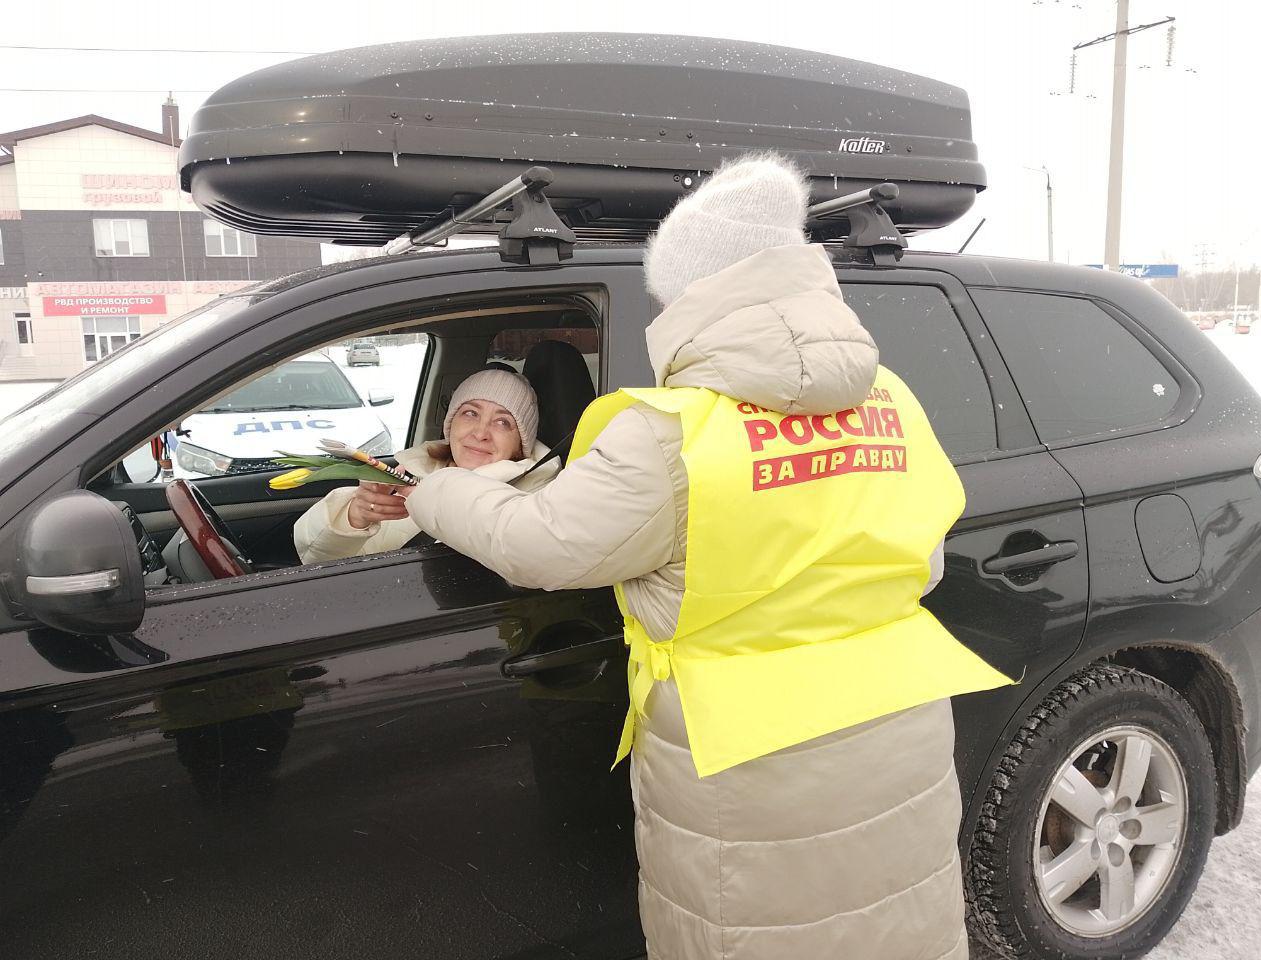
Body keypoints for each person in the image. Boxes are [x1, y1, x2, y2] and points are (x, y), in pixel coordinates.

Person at [404, 154, 1014, 960]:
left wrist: (434, 487)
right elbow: (921, 560)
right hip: (894, 735)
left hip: (748, 767)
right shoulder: (891, 400)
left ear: (695, 297)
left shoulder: (668, 435)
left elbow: (538, 543)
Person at [293, 368, 558, 564]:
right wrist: (355, 518)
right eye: (470, 413)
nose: (480, 433)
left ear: (520, 444)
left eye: (503, 422)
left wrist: (441, 506)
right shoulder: (411, 473)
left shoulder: (536, 503)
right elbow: (315, 560)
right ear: (451, 423)